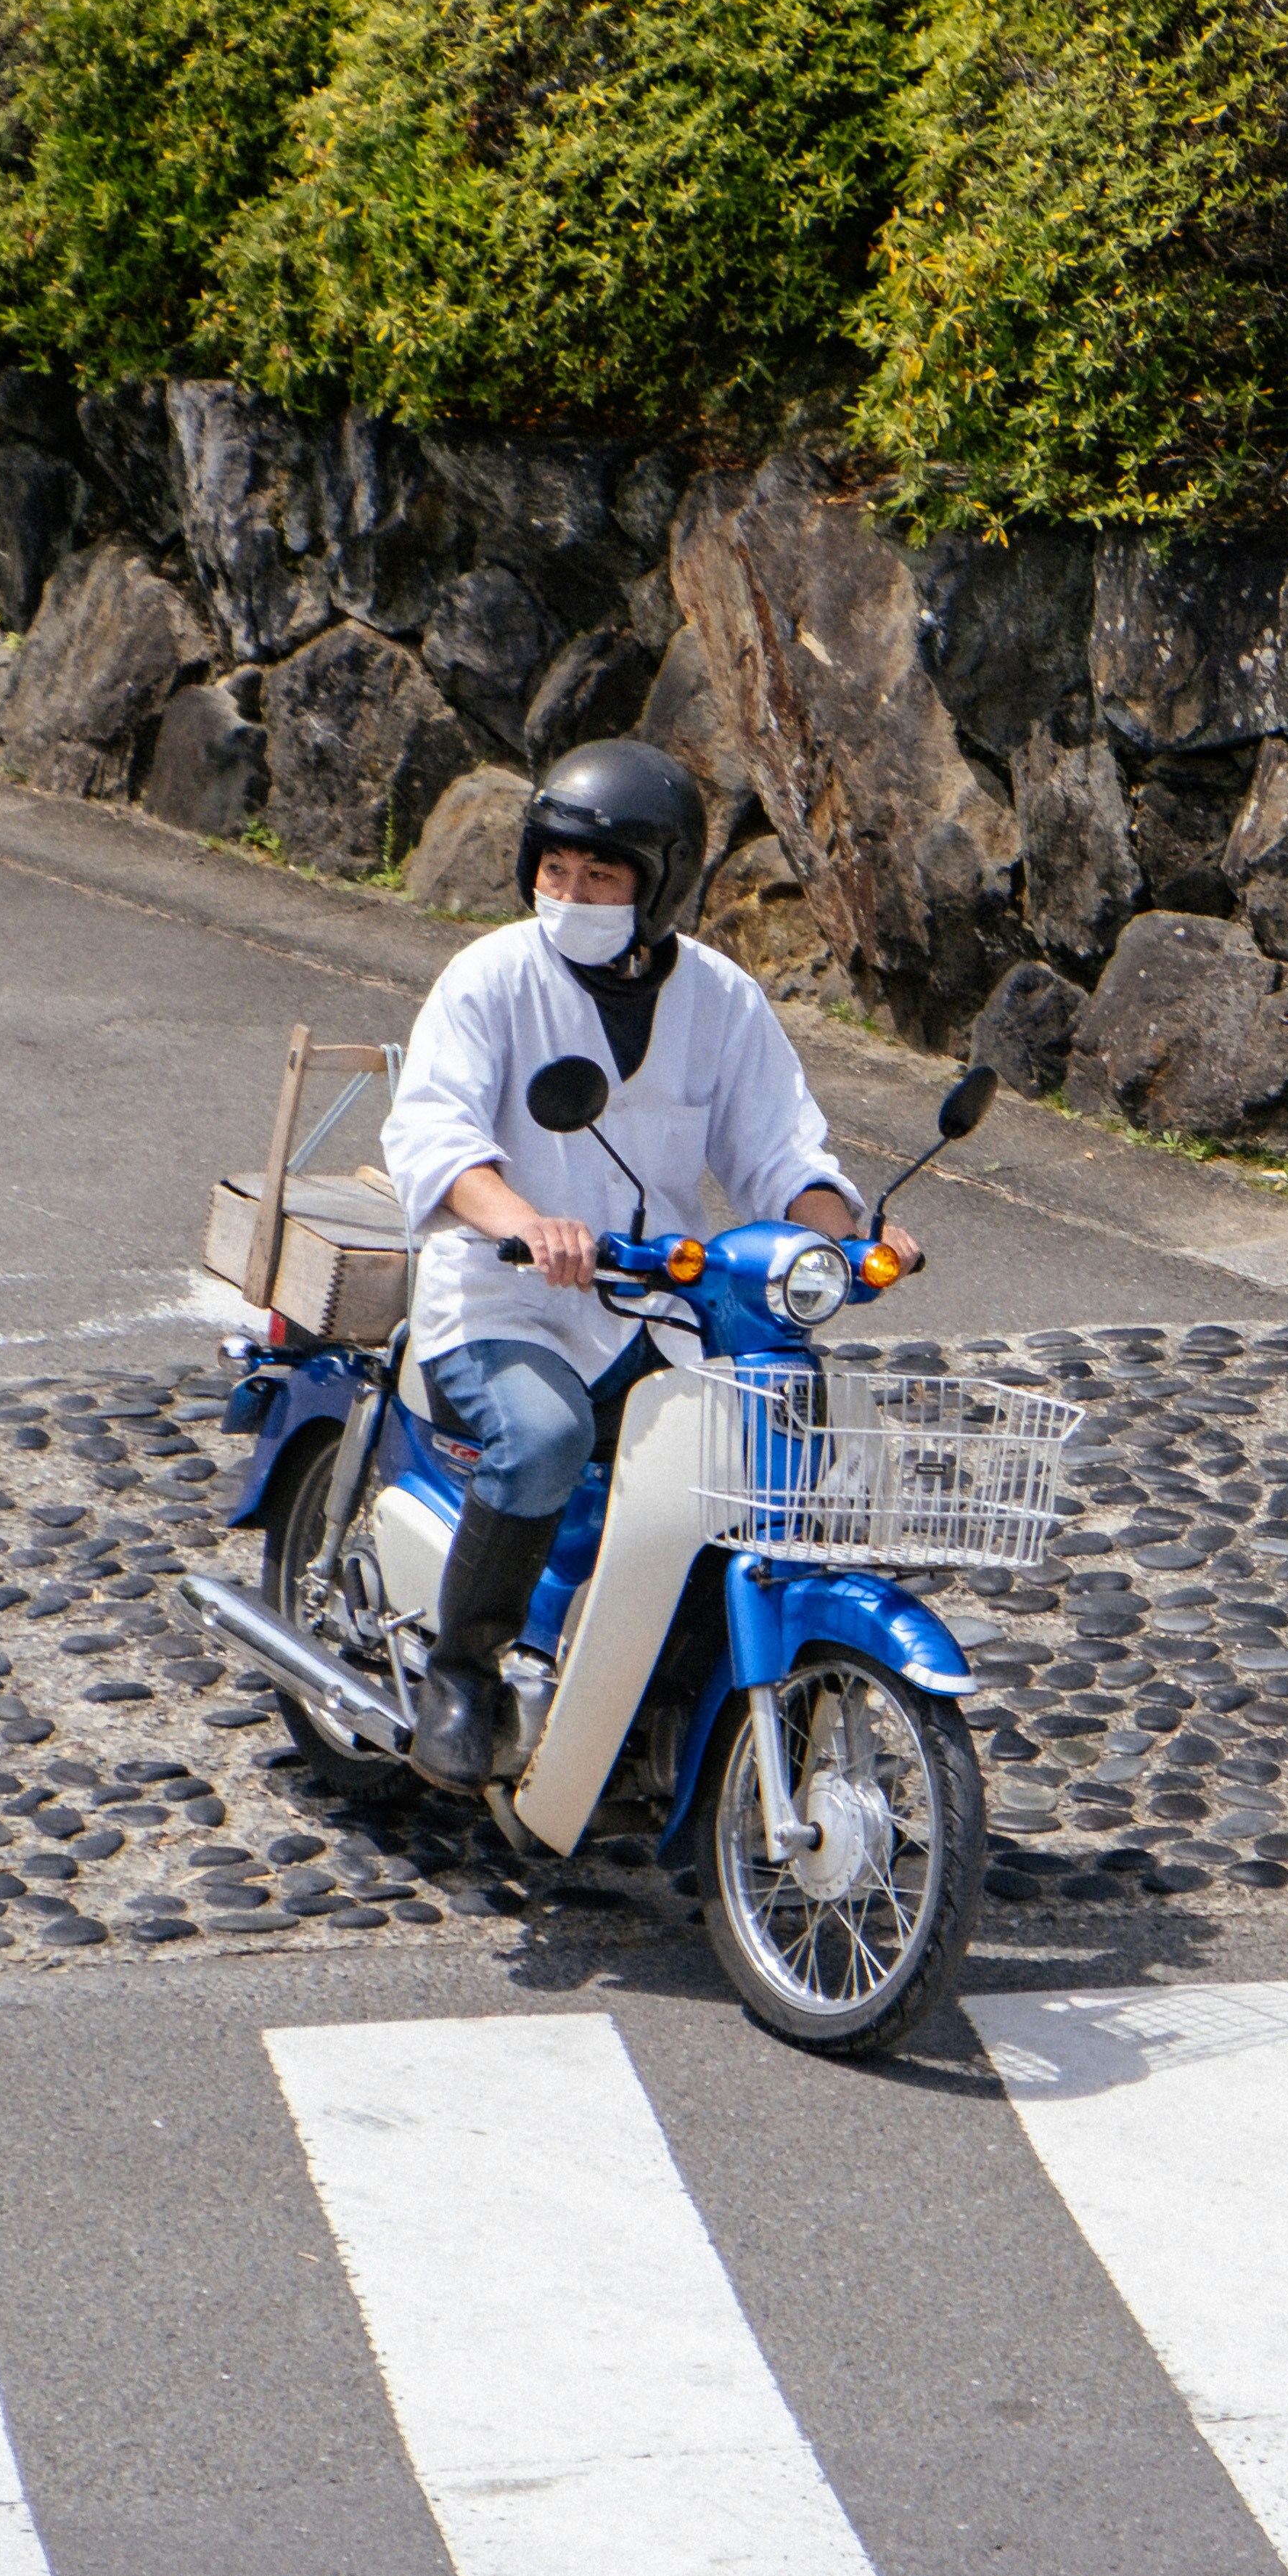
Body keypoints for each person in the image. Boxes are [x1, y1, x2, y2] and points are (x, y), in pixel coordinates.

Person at [380, 737, 915, 1788]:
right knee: (545, 1434)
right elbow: (433, 1140)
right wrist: (525, 1218)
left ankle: (668, 1685)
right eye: (555, 870)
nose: (569, 892)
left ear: (662, 883)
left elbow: (780, 1156)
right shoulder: (489, 978)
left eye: (600, 874)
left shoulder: (721, 999)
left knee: (760, 1459)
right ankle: (464, 1669)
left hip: (651, 1311)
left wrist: (844, 1241)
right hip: (504, 1303)